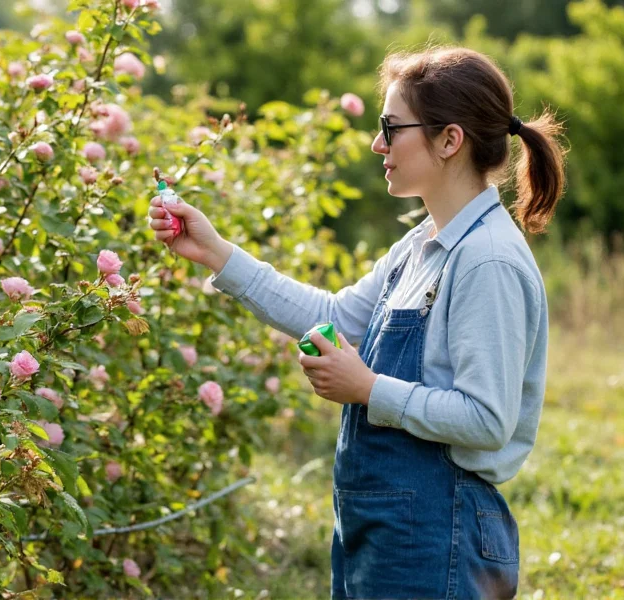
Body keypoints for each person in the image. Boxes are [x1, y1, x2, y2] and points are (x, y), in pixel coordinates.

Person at [148, 46, 565, 600]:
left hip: (439, 534)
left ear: (449, 140)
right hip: (385, 530)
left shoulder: (486, 260)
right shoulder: (422, 244)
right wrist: (215, 251)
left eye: (391, 128)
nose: (377, 144)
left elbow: (487, 419)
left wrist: (367, 389)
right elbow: (333, 316)